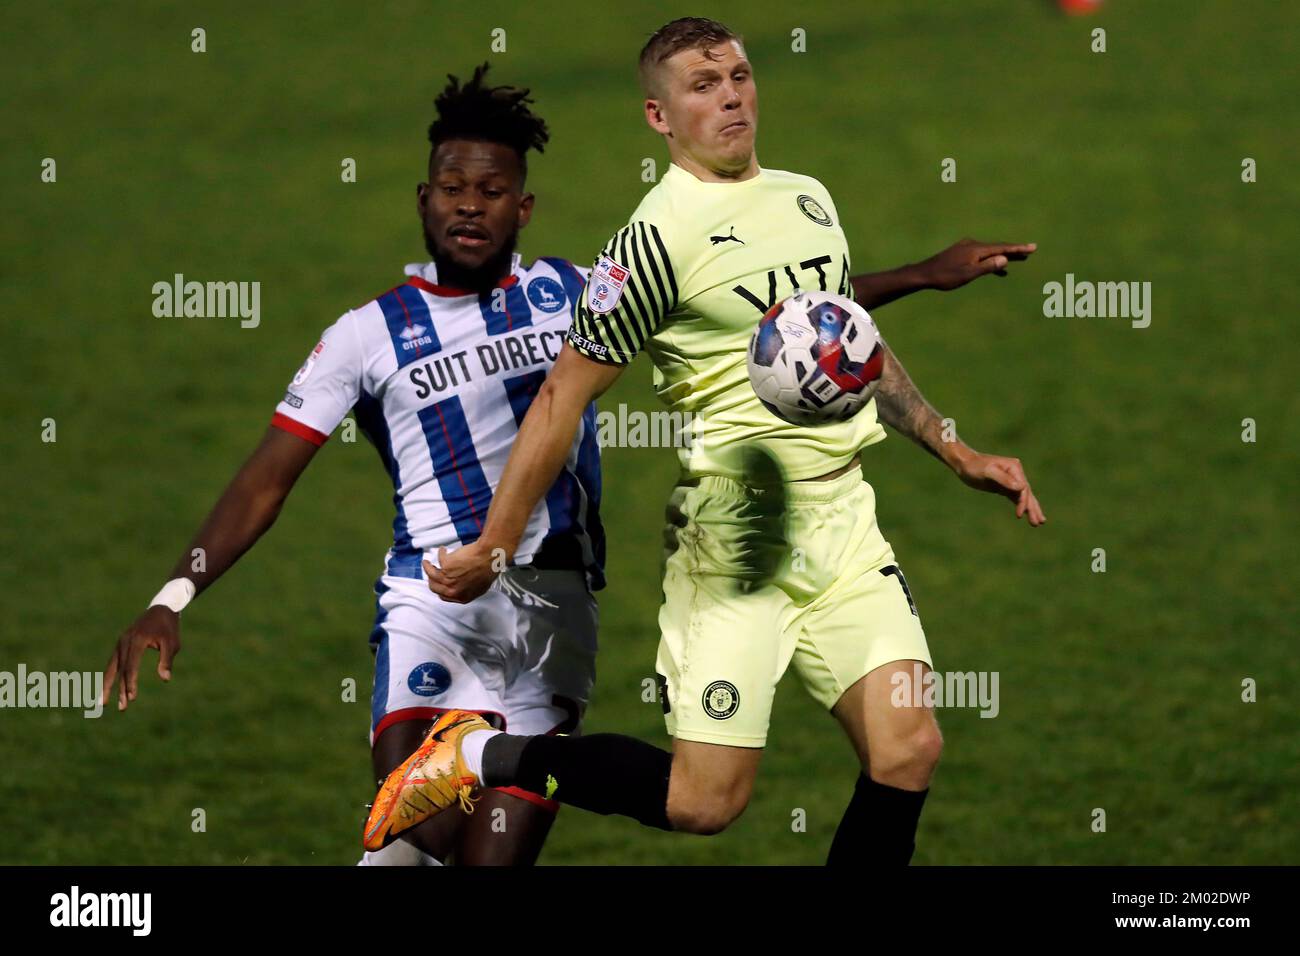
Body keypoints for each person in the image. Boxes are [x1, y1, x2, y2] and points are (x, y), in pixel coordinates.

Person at [364, 19, 1043, 866]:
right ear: (659, 116)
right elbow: (562, 395)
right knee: (703, 802)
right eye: (703, 85)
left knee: (909, 750)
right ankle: (479, 754)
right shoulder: (652, 242)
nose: (730, 98)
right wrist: (495, 543)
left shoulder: (807, 197)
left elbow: (847, 349)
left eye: (739, 77)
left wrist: (954, 447)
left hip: (845, 522)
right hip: (738, 541)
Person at [102, 65, 605, 866]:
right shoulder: (366, 335)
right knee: (420, 829)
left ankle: (476, 767)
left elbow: (712, 317)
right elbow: (267, 478)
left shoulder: (573, 294)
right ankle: (463, 777)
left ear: (524, 207)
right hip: (431, 606)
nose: (469, 205)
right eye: (451, 188)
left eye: (491, 190)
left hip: (552, 614)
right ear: (423, 201)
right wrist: (174, 595)